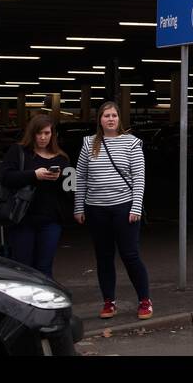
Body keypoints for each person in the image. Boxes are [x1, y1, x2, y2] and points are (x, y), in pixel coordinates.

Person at [73, 100, 151, 319]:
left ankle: (144, 300)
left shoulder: (132, 143)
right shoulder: (89, 143)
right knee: (104, 257)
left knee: (130, 255)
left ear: (119, 119)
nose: (110, 119)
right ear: (100, 119)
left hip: (124, 208)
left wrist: (136, 207)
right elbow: (81, 177)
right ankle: (109, 302)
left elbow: (139, 178)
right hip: (96, 209)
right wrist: (79, 207)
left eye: (113, 116)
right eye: (106, 116)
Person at [0, 113, 71, 277]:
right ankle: (23, 302)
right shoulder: (19, 151)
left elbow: (71, 189)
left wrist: (59, 178)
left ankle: (43, 301)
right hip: (22, 219)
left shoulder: (62, 158)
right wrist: (34, 175)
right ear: (32, 133)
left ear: (53, 134)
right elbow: (5, 177)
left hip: (50, 221)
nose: (43, 137)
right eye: (39, 133)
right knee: (23, 267)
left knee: (45, 267)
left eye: (47, 133)